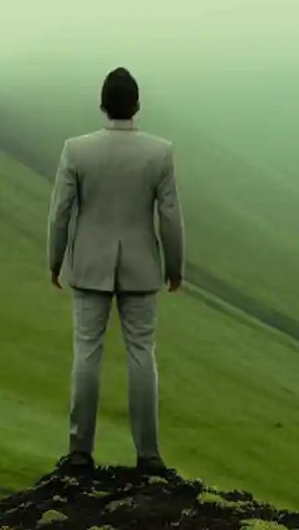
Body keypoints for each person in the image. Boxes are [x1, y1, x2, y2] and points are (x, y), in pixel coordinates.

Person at [46, 66, 186, 474]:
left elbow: (60, 213)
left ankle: (79, 452)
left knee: (86, 354)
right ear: (137, 106)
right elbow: (171, 217)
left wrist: (55, 261)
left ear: (102, 105)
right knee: (142, 354)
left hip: (89, 264)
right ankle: (149, 455)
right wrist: (174, 267)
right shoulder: (159, 152)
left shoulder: (76, 150)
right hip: (142, 268)